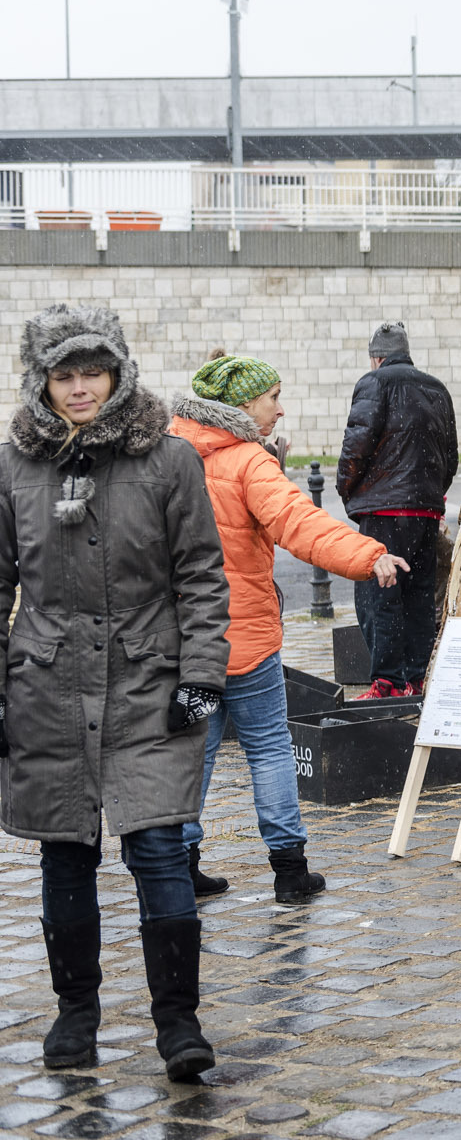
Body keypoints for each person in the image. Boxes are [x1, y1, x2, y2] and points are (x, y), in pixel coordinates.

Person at [0, 304, 231, 1081]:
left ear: (116, 371)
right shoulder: (15, 467)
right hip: (49, 688)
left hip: (146, 683)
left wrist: (202, 672)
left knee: (161, 847)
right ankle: (76, 1013)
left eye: (90, 371)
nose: (78, 388)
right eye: (63, 374)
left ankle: (179, 1022)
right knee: (66, 852)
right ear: (43, 381)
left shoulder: (170, 463)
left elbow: (201, 574)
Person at [171, 356, 408, 902]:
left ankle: (180, 865)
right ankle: (289, 872)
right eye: (272, 397)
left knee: (191, 758)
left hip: (188, 643)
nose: (280, 408)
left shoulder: (169, 453)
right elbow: (301, 525)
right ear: (241, 406)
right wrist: (368, 555)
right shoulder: (248, 462)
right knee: (271, 751)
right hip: (248, 641)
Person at [337, 322, 457, 700]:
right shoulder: (437, 388)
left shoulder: (374, 383)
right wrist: (432, 495)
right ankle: (415, 680)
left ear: (376, 357)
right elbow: (450, 454)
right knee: (420, 596)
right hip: (426, 511)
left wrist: (347, 488)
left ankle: (386, 682)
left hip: (385, 510)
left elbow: (356, 445)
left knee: (379, 592)